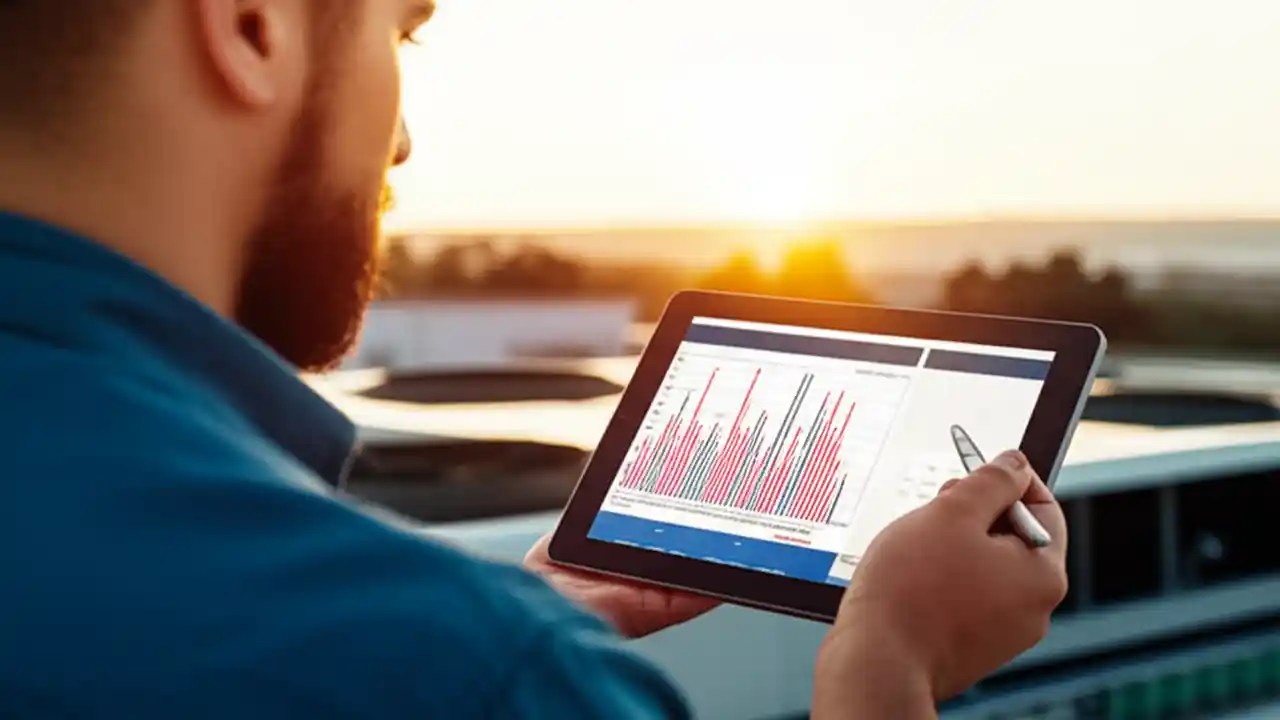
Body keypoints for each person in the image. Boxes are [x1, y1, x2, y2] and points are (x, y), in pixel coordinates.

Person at [0, 1, 1068, 717]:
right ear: (248, 25)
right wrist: (888, 662)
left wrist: (521, 614)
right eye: (400, 32)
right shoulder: (464, 677)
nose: (405, 139)